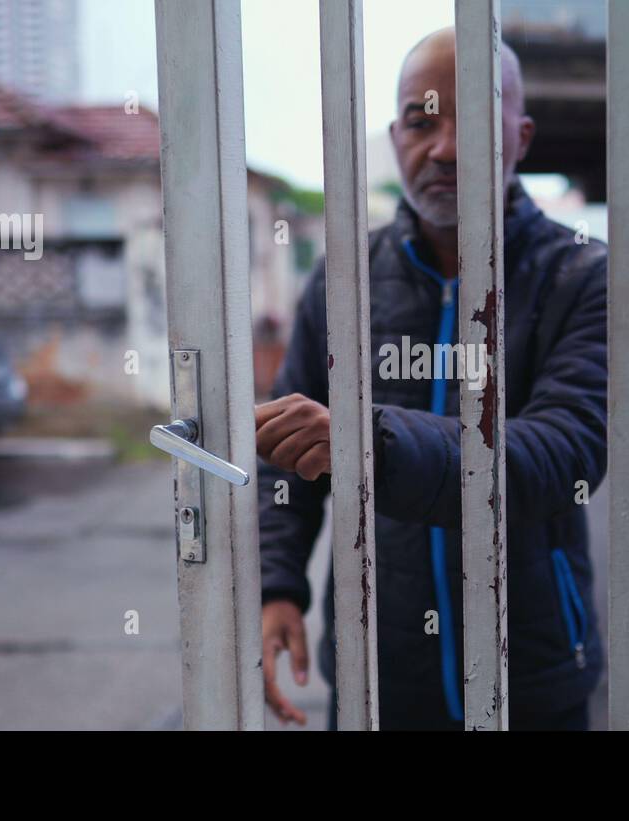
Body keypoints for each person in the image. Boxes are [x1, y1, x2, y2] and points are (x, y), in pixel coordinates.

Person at [255, 27, 608, 731]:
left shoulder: (580, 274)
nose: (445, 149)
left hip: (531, 671)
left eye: (474, 121)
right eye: (421, 122)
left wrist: (373, 444)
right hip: (378, 667)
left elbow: (567, 449)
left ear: (522, 137)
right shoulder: (347, 277)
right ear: (396, 138)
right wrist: (277, 583)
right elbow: (287, 458)